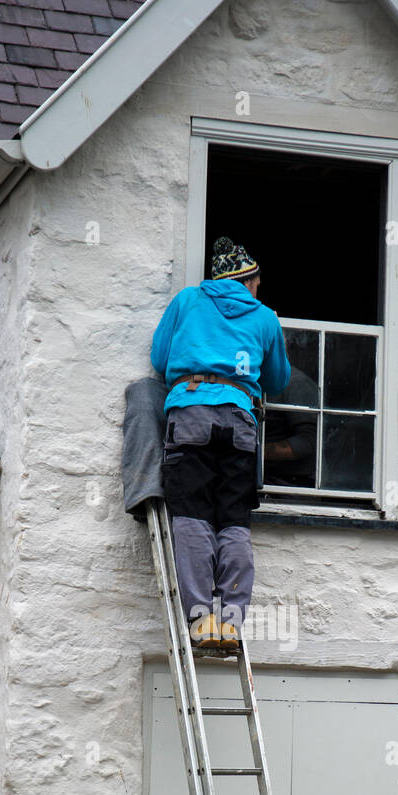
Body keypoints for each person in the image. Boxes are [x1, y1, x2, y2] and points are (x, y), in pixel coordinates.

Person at [150, 236, 291, 651]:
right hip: (238, 419)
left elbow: (160, 359)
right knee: (233, 519)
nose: (258, 291)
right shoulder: (264, 317)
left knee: (191, 515)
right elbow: (278, 380)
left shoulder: (188, 300)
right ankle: (230, 619)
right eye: (258, 284)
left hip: (190, 410)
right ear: (249, 281)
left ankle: (199, 619)